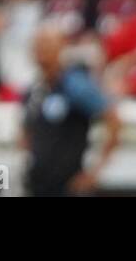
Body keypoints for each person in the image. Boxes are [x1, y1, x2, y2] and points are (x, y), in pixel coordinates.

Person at [21, 25, 122, 197]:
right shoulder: (34, 90)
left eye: (47, 44)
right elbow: (26, 130)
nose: (41, 50)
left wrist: (95, 171)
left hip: (68, 186)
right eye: (37, 45)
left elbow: (113, 121)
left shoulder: (75, 86)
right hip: (39, 186)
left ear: (61, 47)